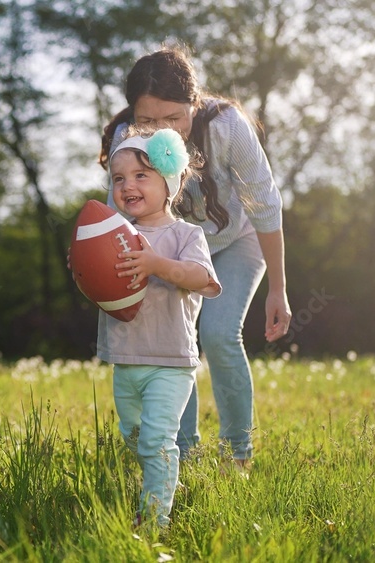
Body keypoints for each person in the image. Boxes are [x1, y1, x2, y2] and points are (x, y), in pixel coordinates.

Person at [100, 46, 292, 472]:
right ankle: (181, 454)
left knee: (220, 333)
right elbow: (118, 222)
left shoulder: (226, 126)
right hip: (167, 248)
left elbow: (265, 205)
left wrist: (278, 289)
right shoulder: (127, 142)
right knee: (171, 342)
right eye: (149, 120)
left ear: (195, 103)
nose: (164, 130)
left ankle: (237, 455)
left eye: (175, 118)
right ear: (134, 113)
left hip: (235, 241)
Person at [97, 126, 222, 527]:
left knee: (156, 441)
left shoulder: (186, 234)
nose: (127, 186)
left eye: (139, 175)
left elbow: (201, 278)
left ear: (169, 183)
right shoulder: (114, 235)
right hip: (126, 358)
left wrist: (156, 265)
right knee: (134, 438)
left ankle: (153, 520)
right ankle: (166, 481)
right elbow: (99, 280)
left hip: (170, 362)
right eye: (118, 179)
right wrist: (86, 265)